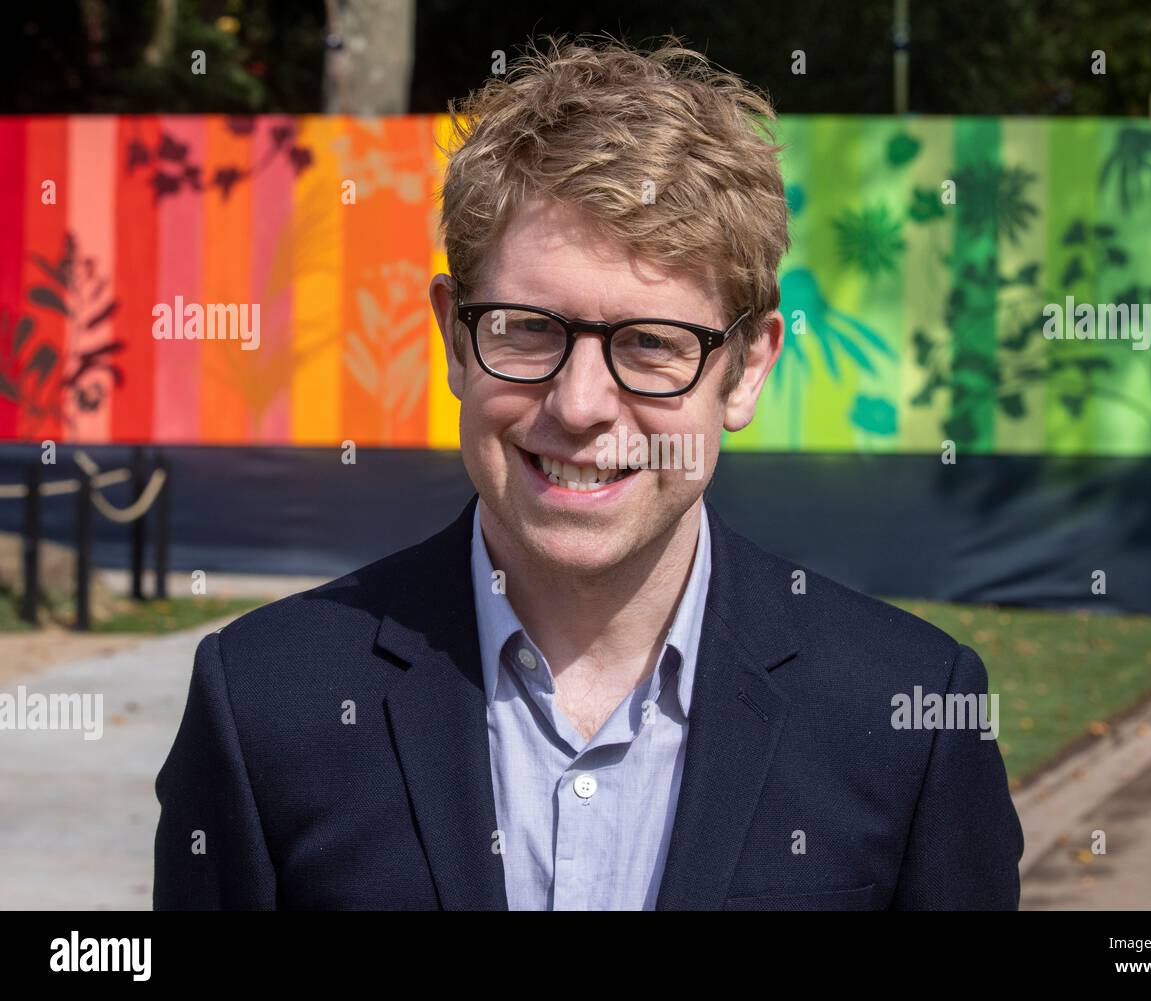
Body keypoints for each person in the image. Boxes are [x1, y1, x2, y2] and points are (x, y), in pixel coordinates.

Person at [153, 33, 1022, 911]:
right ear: (457, 340)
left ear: (748, 367)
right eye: (528, 328)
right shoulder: (265, 704)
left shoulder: (908, 714)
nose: (579, 404)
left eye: (650, 342)